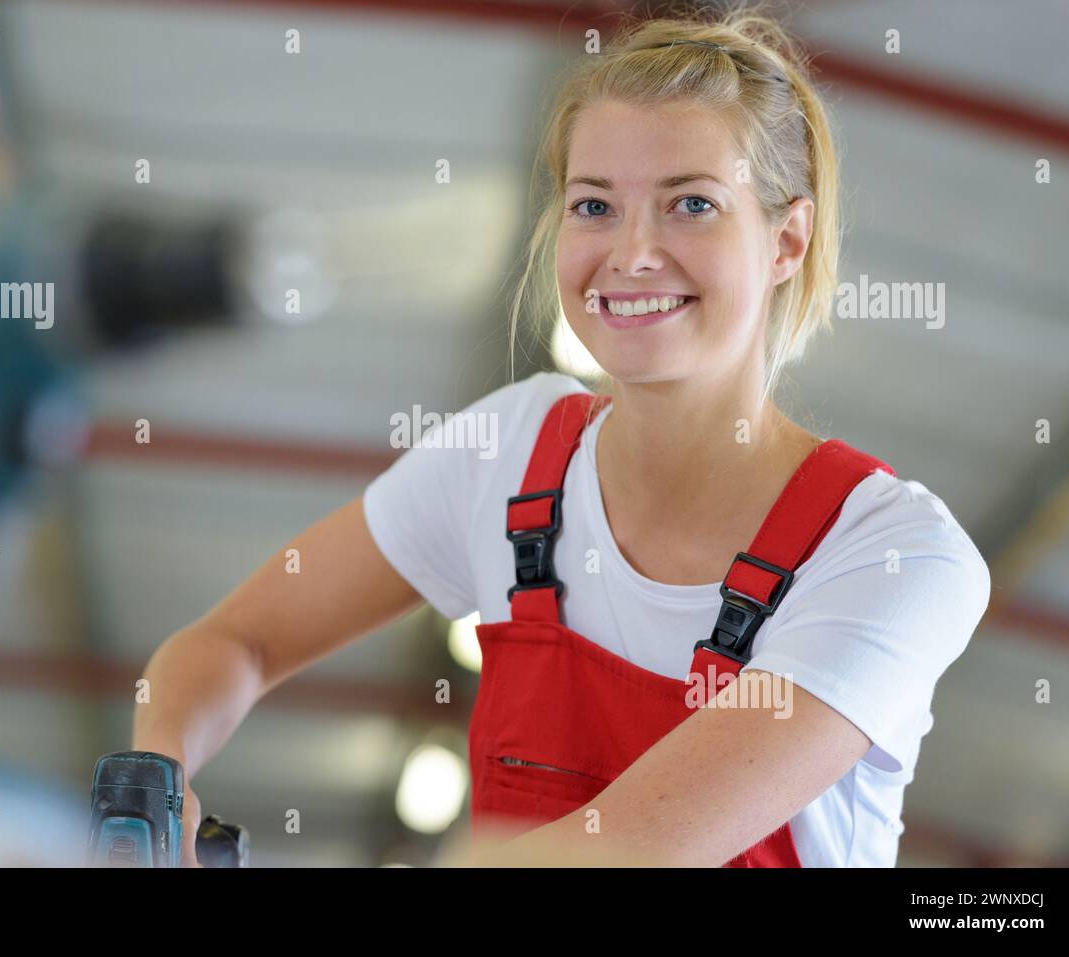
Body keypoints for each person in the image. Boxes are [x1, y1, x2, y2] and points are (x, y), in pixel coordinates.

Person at [133, 5, 991, 867]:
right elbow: (233, 642)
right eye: (595, 206)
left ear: (786, 240)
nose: (633, 252)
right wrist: (154, 780)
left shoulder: (892, 554)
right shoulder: (509, 454)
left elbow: (633, 848)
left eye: (692, 203)